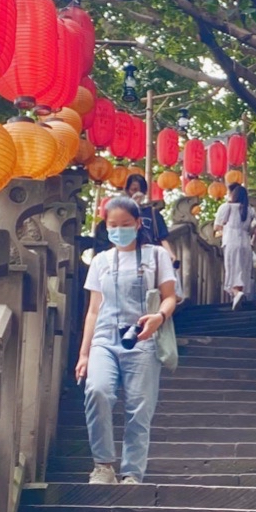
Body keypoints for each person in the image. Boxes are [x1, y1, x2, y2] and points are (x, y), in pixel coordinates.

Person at [76, 195, 179, 483]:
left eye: (125, 224)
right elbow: (93, 310)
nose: (118, 230)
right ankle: (103, 465)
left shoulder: (156, 255)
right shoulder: (100, 261)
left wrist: (159, 317)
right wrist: (84, 354)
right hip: (105, 337)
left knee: (139, 407)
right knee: (97, 391)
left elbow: (170, 296)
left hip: (143, 337)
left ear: (137, 224)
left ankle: (132, 472)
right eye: (113, 225)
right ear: (106, 226)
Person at [214, 181, 256, 308]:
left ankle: (236, 293)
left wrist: (224, 227)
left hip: (231, 241)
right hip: (245, 242)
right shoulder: (250, 210)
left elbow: (217, 226)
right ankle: (238, 297)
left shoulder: (226, 207)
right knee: (242, 269)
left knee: (232, 268)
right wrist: (253, 242)